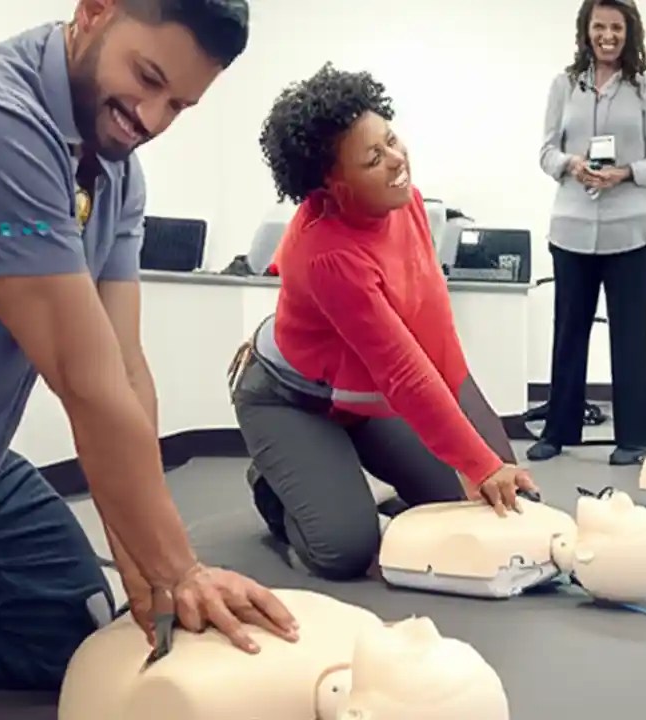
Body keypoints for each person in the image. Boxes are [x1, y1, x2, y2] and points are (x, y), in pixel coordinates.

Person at [0, 3, 300, 718]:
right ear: (94, 11)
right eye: (145, 78)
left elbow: (122, 367)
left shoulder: (112, 168)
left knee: (84, 633)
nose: (150, 118)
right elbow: (82, 381)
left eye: (179, 104)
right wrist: (179, 570)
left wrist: (149, 563)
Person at [230, 63, 539, 581]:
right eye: (374, 157)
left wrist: (491, 461)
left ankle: (341, 467)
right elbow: (402, 371)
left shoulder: (409, 203)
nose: (397, 160)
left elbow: (438, 342)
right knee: (346, 552)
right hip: (292, 401)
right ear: (330, 185)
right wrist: (481, 465)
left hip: (360, 400)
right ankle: (275, 483)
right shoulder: (326, 253)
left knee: (479, 502)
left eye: (391, 139)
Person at [530, 0, 646, 466]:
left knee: (630, 334)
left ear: (629, 32)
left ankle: (635, 438)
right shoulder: (563, 85)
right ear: (585, 31)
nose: (607, 35)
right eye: (599, 27)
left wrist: (625, 173)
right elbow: (547, 152)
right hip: (571, 230)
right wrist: (572, 165)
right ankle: (559, 429)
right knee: (568, 331)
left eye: (616, 27)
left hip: (630, 232)